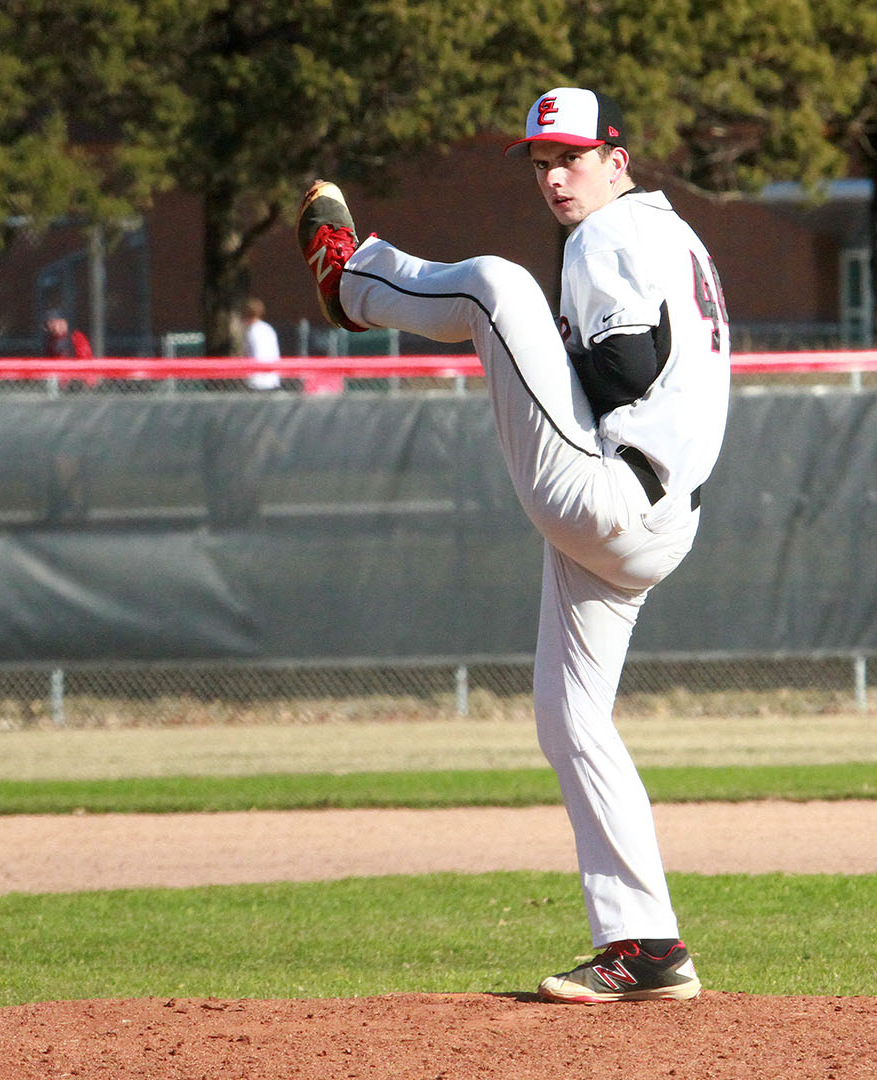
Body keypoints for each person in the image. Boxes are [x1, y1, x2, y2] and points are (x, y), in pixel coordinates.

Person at [295, 86, 726, 1004]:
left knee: (496, 287)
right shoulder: (677, 238)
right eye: (540, 163)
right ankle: (646, 946)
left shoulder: (611, 236)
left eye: (571, 158)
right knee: (571, 720)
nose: (555, 178)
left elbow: (624, 371)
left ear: (618, 159)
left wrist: (534, 359)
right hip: (659, 518)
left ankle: (352, 282)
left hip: (608, 495)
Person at [239, 297, 283, 391]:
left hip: (257, 381)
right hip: (272, 379)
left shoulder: (253, 331)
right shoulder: (267, 328)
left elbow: (257, 354)